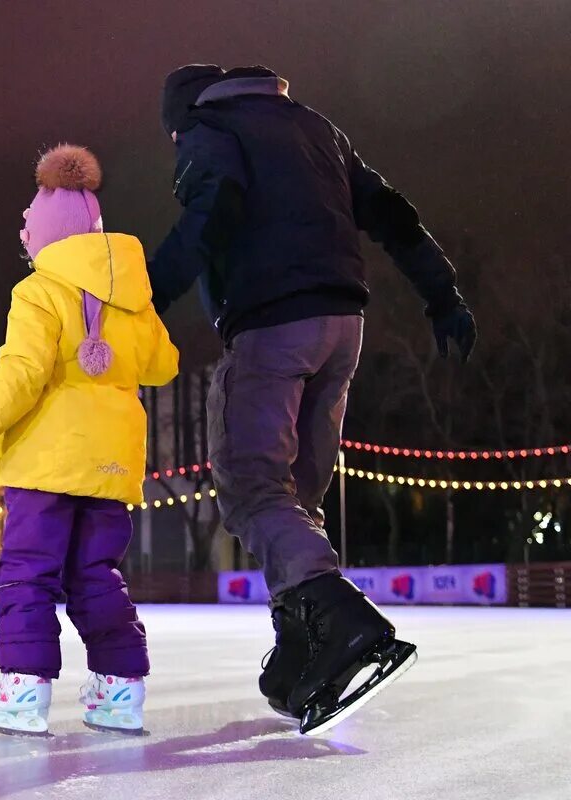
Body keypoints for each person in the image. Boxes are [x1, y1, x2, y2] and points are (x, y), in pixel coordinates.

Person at [149, 65, 477, 736]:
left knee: (251, 485)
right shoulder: (317, 129)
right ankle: (303, 652)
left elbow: (214, 208)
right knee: (296, 498)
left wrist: (145, 297)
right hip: (341, 327)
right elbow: (391, 213)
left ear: (182, 116)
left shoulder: (211, 129)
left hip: (272, 322)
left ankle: (340, 619)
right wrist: (441, 293)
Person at [0, 144, 180, 736]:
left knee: (28, 572)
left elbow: (21, 371)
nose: (23, 235)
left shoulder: (38, 292)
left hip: (45, 465)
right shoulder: (133, 298)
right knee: (97, 574)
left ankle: (23, 692)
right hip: (108, 467)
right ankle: (120, 692)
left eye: (29, 226)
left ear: (46, 235)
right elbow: (163, 364)